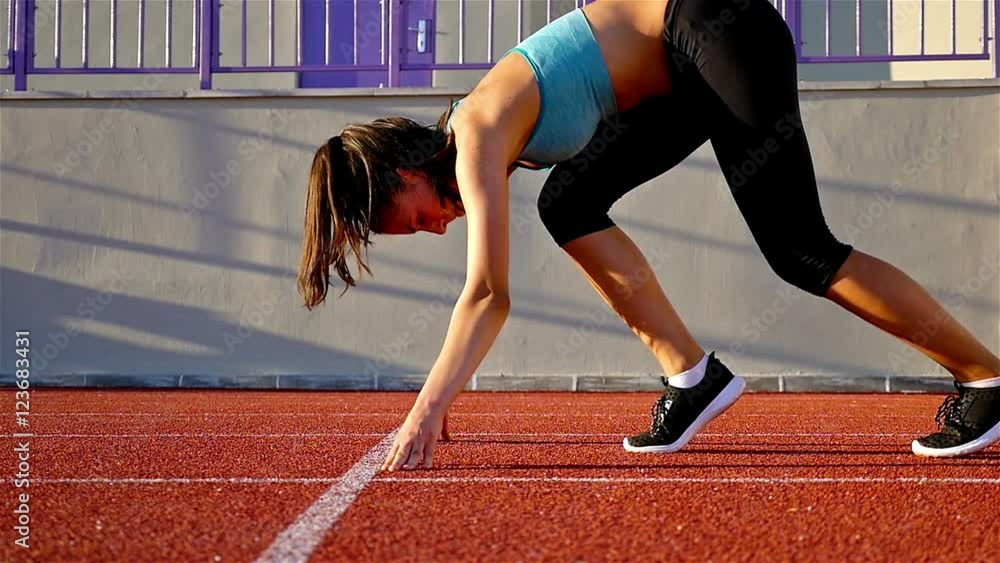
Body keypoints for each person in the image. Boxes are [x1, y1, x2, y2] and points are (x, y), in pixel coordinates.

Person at [296, 0, 1000, 471]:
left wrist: (427, 406)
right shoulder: (475, 136)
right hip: (678, 72)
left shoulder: (476, 131)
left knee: (799, 248)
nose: (436, 226)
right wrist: (444, 392)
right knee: (568, 202)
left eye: (417, 216)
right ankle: (693, 376)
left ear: (407, 171)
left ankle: (984, 376)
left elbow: (487, 292)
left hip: (715, 27)